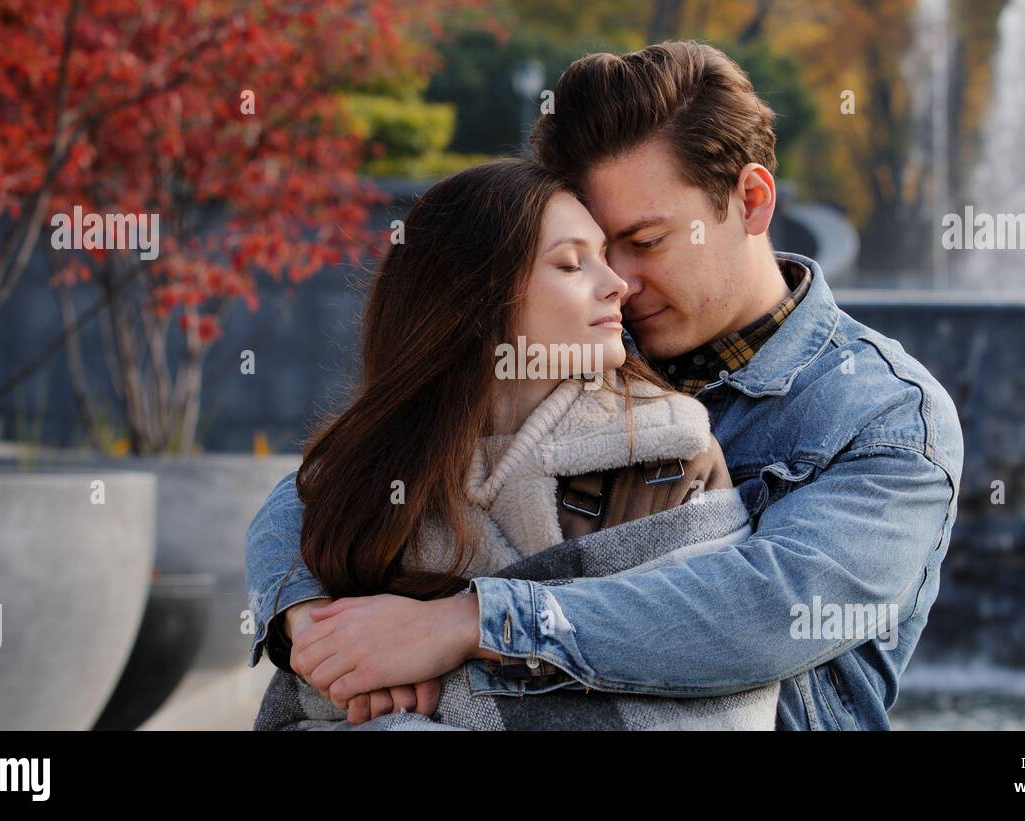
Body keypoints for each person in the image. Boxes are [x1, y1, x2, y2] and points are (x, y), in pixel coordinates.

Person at [246, 40, 964, 730]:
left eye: (646, 240)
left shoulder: (885, 414)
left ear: (751, 200)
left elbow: (767, 608)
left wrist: (466, 622)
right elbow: (347, 470)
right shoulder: (581, 342)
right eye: (590, 245)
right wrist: (310, 620)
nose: (618, 279)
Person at [249, 157, 780, 730]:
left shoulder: (669, 455)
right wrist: (315, 632)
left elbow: (719, 700)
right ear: (477, 301)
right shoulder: (372, 478)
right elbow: (316, 687)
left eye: (607, 257)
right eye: (574, 264)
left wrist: (420, 679)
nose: (617, 285)